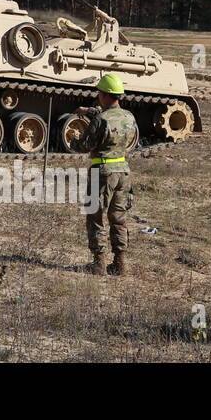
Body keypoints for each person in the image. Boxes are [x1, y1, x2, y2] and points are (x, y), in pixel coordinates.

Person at [73, 73, 139, 276]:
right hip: (123, 171)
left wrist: (73, 139)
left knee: (95, 217)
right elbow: (130, 139)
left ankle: (99, 263)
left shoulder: (101, 120)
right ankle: (120, 263)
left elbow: (83, 146)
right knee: (118, 217)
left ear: (103, 95)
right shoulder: (129, 116)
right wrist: (90, 111)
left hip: (102, 172)